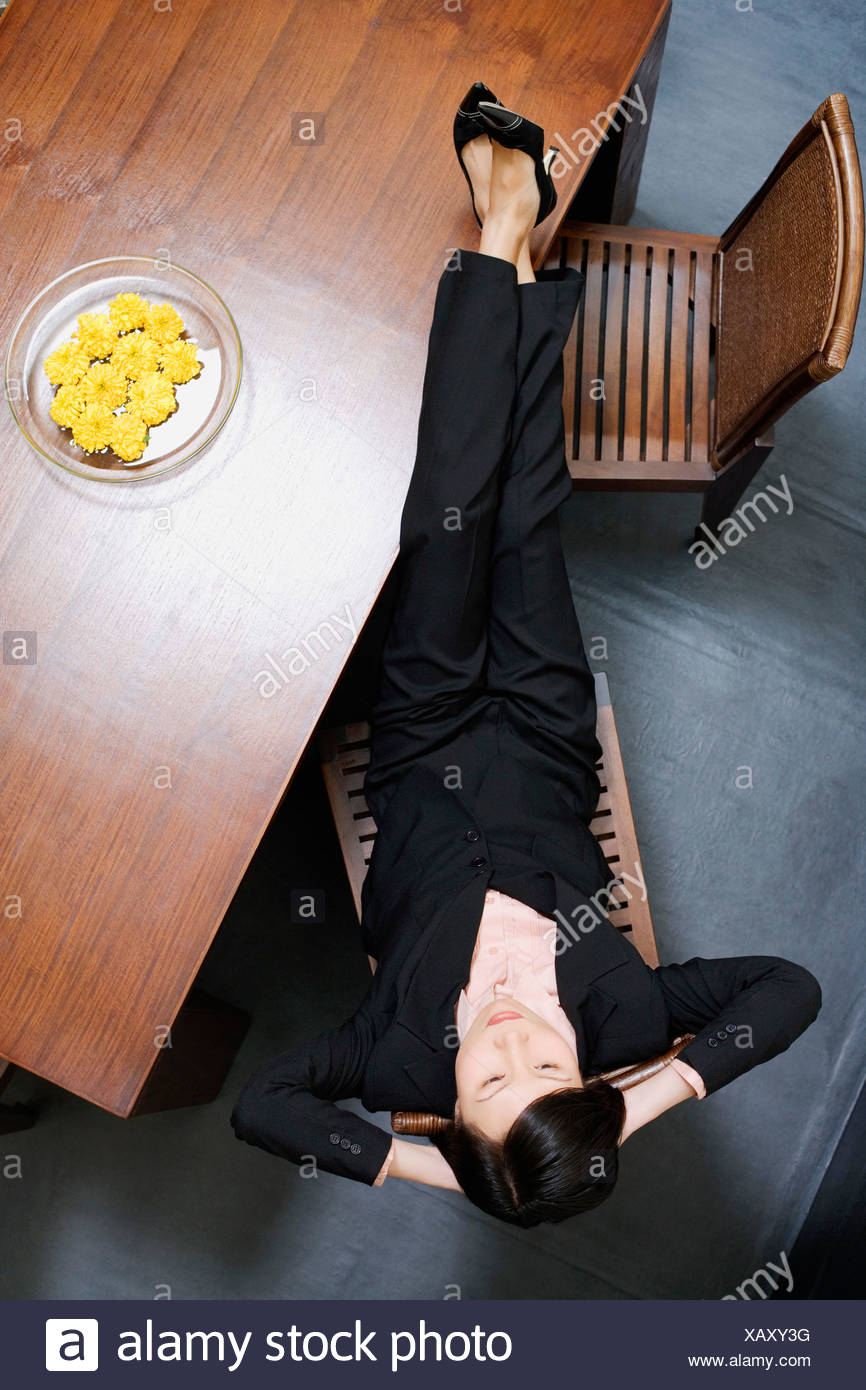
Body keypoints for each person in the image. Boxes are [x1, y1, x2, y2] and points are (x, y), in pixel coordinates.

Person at [230, 83, 822, 1226]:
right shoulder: (628, 1025)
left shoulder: (397, 1059)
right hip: (546, 735)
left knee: (446, 510)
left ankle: (504, 241)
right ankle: (511, 248)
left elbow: (266, 1105)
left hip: (424, 731)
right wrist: (641, 1098)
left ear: (445, 1107)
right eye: (542, 1070)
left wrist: (430, 1161)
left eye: (485, 1082)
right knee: (520, 514)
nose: (510, 1042)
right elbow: (789, 991)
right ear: (587, 1080)